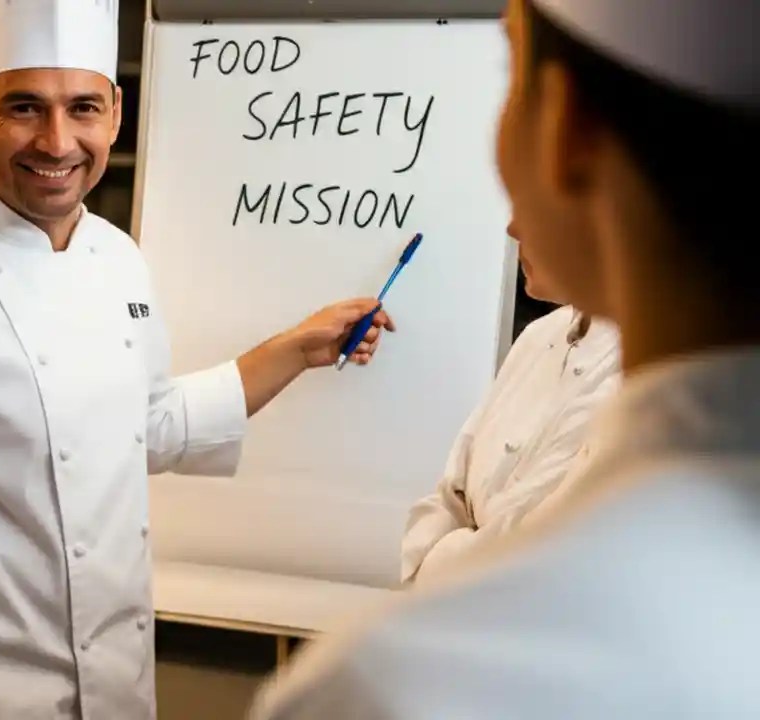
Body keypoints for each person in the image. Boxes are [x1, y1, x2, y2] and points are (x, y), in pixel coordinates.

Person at [0, 1, 393, 717]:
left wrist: (296, 351)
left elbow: (150, 422)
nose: (57, 142)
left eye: (82, 107)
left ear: (115, 112)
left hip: (118, 689)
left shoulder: (116, 256)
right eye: (24, 107)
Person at [249, 0, 760, 717]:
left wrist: (466, 549)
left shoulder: (399, 687)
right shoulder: (539, 344)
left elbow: (492, 532)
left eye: (509, 72)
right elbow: (447, 507)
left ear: (564, 124)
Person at [399, 220, 619, 585]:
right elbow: (445, 501)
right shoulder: (537, 337)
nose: (514, 228)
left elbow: (525, 560)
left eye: (531, 197)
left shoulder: (644, 375)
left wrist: (450, 557)